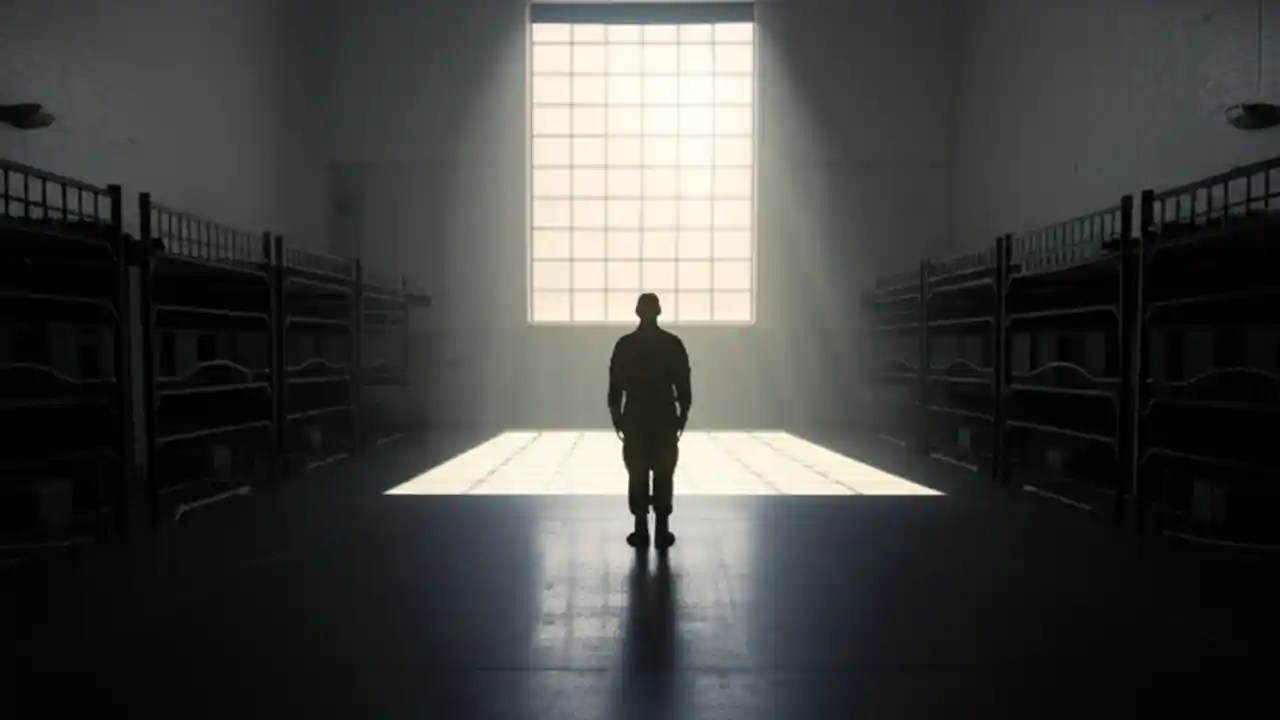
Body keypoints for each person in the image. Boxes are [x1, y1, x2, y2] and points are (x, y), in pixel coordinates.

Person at [608, 293, 691, 549]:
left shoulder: (625, 345)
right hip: (664, 415)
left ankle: (641, 528)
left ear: (637, 312)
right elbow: (683, 386)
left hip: (635, 415)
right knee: (664, 472)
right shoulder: (672, 344)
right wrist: (682, 416)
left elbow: (615, 387)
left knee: (637, 472)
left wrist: (617, 417)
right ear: (659, 311)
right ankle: (662, 529)